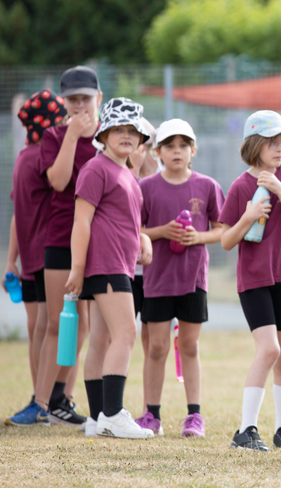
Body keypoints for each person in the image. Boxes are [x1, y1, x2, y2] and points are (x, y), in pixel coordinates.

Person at [219, 111, 281, 451]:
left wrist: (280, 190)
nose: (280, 148)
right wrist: (248, 216)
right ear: (254, 145)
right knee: (269, 349)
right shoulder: (241, 185)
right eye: (272, 142)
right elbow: (227, 241)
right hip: (254, 280)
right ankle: (246, 430)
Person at [65, 97, 154, 439]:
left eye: (132, 131)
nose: (127, 136)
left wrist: (142, 240)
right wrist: (77, 269)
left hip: (119, 263)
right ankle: (113, 414)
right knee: (126, 334)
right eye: (118, 129)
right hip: (105, 265)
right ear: (103, 134)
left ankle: (96, 419)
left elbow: (124, 221)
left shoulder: (127, 172)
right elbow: (81, 222)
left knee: (101, 339)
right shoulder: (96, 168)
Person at [134, 119, 225, 438]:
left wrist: (197, 238)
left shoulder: (207, 186)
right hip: (156, 280)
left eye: (183, 145)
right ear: (156, 151)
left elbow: (222, 230)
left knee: (188, 345)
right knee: (156, 347)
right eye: (169, 146)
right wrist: (162, 232)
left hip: (192, 280)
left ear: (193, 150)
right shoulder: (145, 188)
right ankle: (151, 416)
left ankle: (194, 417)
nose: (176, 151)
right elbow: (134, 230)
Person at [35, 66, 104, 428]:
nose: (80, 105)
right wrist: (72, 137)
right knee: (58, 322)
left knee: (87, 325)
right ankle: (42, 402)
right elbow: (59, 182)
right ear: (63, 101)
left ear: (99, 98)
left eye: (86, 98)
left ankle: (62, 397)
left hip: (100, 240)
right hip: (61, 237)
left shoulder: (109, 137)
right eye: (73, 99)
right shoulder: (54, 136)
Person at [4, 91, 68, 426]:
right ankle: (54, 401)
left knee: (38, 330)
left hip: (29, 256)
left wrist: (10, 261)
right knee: (59, 326)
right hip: (47, 253)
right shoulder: (45, 156)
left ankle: (39, 399)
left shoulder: (22, 156)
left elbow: (16, 213)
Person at [126, 117, 157, 419]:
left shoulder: (162, 178)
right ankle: (110, 408)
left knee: (151, 342)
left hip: (156, 276)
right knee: (120, 338)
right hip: (126, 273)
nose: (142, 148)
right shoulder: (123, 175)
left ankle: (150, 410)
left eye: (147, 142)